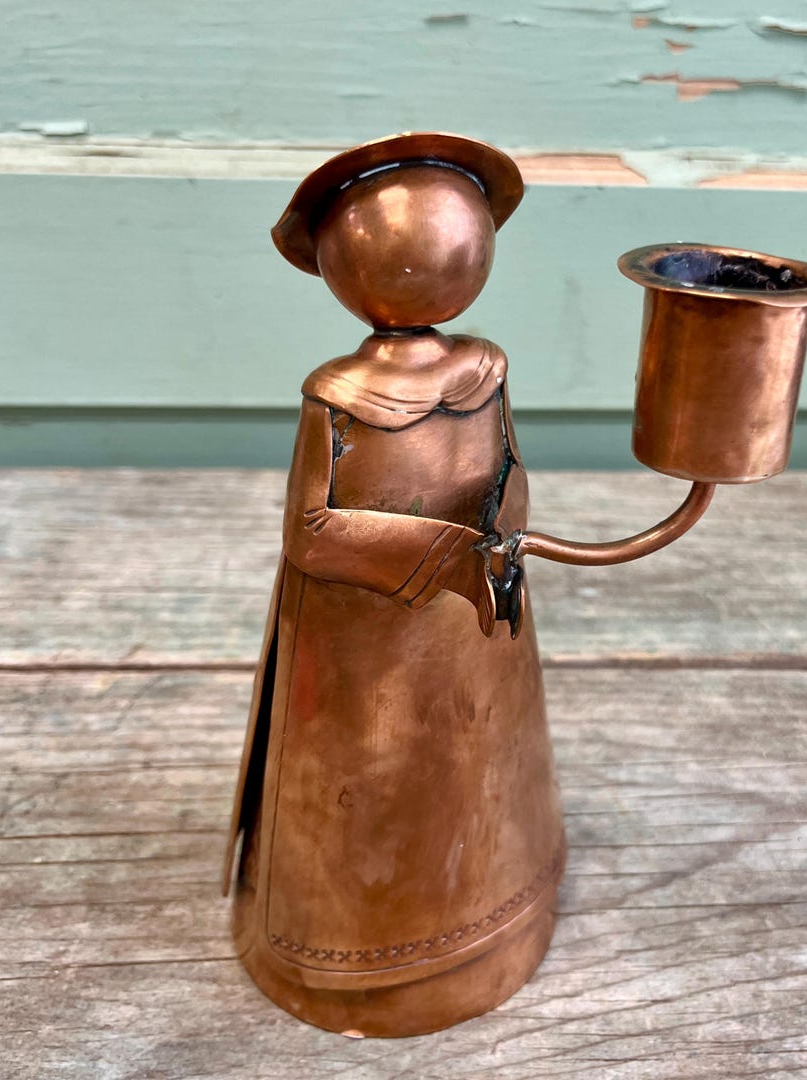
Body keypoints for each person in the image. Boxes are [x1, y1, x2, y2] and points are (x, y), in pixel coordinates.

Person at [222, 133, 565, 1037]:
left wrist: (499, 543)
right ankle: (353, 961)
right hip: (361, 650)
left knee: (471, 767)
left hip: (476, 632)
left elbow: (508, 474)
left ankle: (493, 908)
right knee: (373, 796)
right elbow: (311, 530)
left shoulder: (485, 370)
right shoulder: (337, 395)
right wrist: (449, 554)